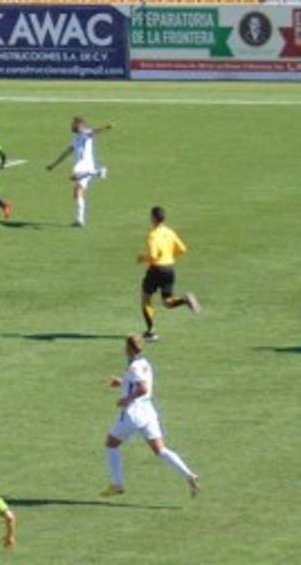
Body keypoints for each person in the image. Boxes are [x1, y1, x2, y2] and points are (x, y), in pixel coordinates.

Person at [102, 333, 200, 498]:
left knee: (111, 445)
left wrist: (126, 399)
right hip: (148, 413)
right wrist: (122, 382)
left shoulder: (134, 366)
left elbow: (143, 388)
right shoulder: (144, 363)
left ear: (128, 348)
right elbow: (137, 382)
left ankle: (117, 484)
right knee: (160, 450)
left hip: (133, 414)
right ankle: (189, 475)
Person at [137, 205, 200, 341]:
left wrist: (143, 258)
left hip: (156, 269)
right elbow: (182, 249)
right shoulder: (170, 232)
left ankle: (151, 332)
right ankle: (184, 300)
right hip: (169, 268)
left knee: (146, 298)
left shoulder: (152, 235)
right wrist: (169, 256)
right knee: (167, 302)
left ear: (153, 218)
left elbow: (153, 255)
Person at [46, 115, 111, 227]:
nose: (71, 125)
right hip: (87, 166)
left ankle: (97, 172)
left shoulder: (85, 133)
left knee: (73, 176)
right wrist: (54, 164)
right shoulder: (75, 139)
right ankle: (80, 220)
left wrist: (105, 128)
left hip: (83, 164)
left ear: (79, 125)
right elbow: (66, 153)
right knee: (77, 193)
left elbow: (94, 132)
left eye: (73, 124)